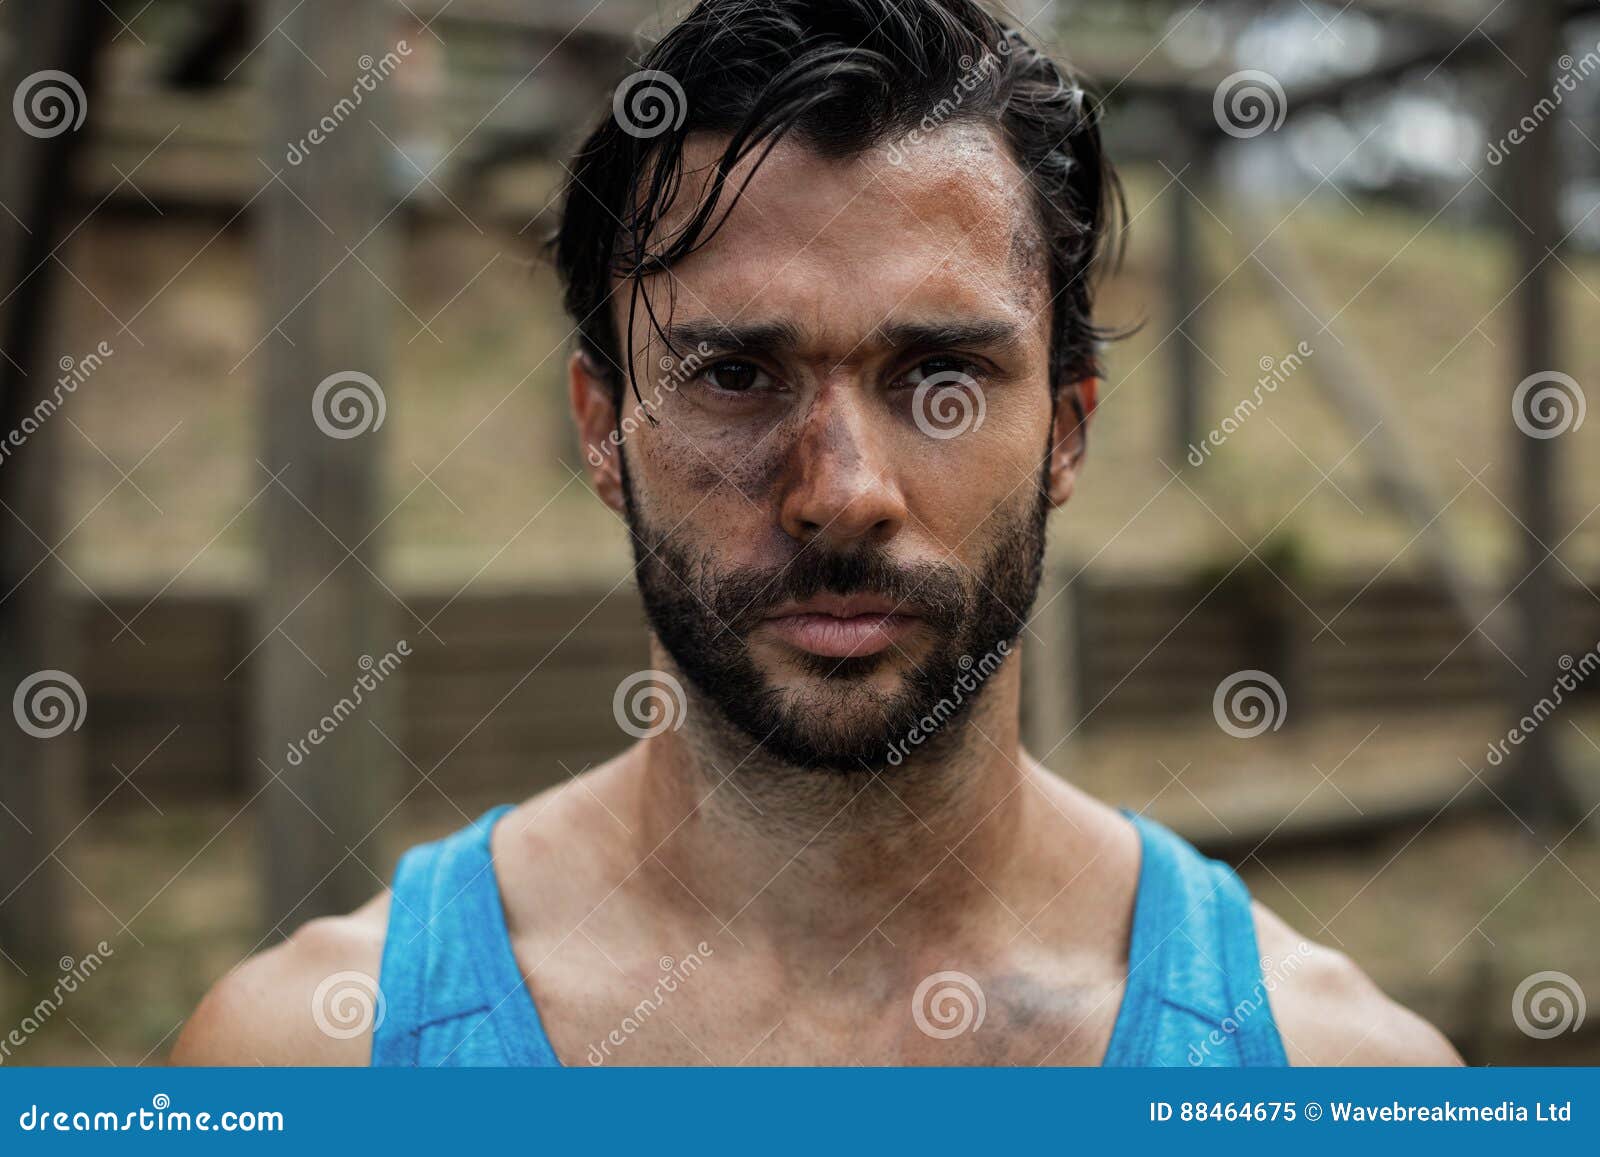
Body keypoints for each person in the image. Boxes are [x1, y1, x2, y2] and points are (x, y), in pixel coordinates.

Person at [174, 0, 1459, 1067]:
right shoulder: (309, 1053)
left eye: (940, 375)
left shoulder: (1332, 1073)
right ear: (602, 427)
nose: (843, 493)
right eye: (735, 375)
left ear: (1066, 430)